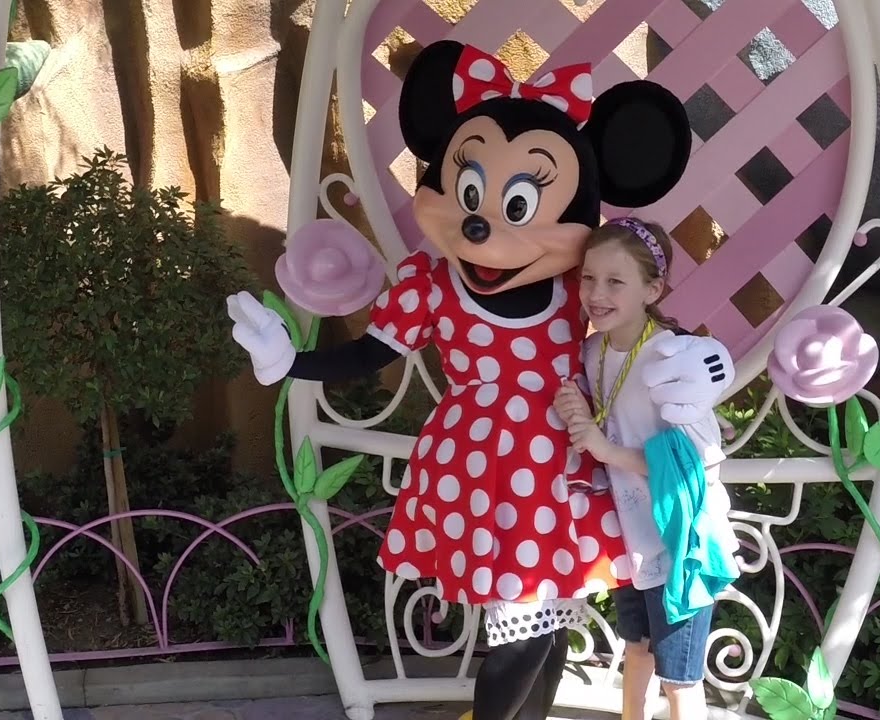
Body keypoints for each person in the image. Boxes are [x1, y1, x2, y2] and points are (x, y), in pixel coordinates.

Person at [227, 40, 703, 720]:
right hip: (483, 476)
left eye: (518, 204)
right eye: (469, 192)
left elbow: (634, 328)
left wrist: (690, 357)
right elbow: (370, 353)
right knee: (518, 629)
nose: (480, 223)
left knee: (545, 626)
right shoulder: (433, 286)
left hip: (561, 474)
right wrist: (290, 362)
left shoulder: (577, 285)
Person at [553, 217, 741, 720]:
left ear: (652, 288)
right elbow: (603, 424)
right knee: (635, 652)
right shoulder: (593, 350)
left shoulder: (672, 359)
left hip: (681, 542)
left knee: (680, 680)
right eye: (588, 278)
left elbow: (693, 466)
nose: (596, 293)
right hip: (630, 542)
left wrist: (604, 449)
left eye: (616, 281)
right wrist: (579, 412)